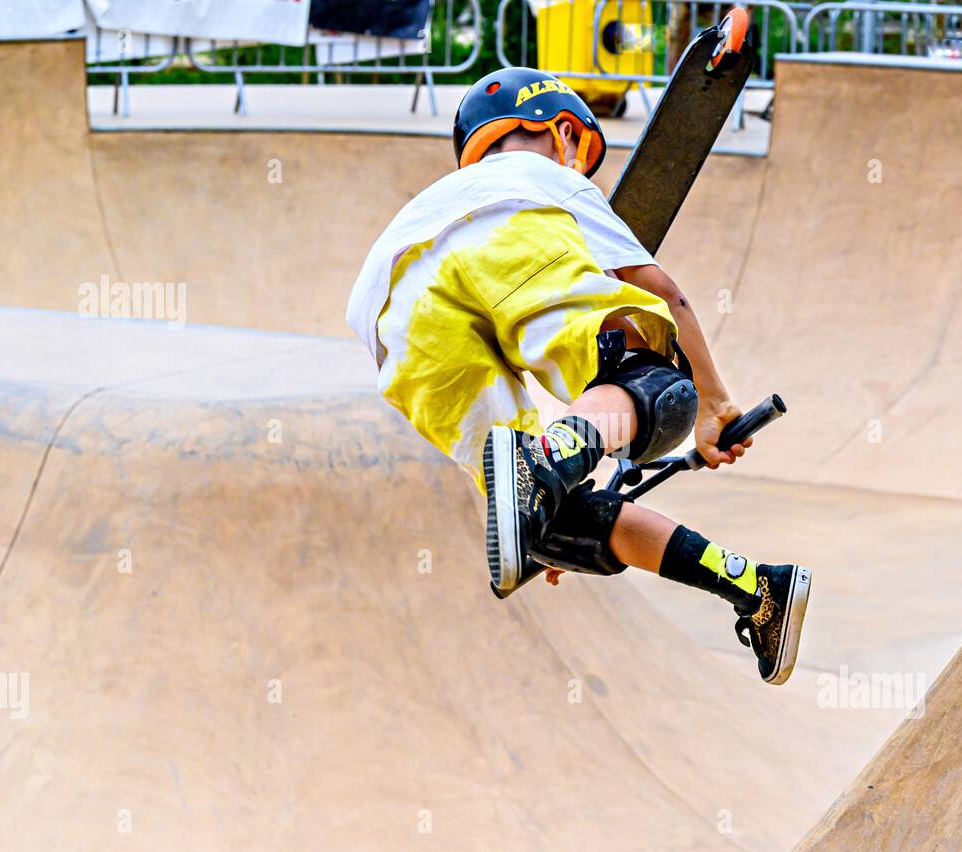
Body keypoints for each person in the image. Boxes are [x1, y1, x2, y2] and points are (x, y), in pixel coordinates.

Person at [346, 67, 810, 684]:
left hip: (388, 315)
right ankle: (544, 473)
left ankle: (757, 590)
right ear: (563, 131)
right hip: (506, 231)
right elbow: (663, 293)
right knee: (656, 381)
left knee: (556, 520)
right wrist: (712, 405)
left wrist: (537, 520)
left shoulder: (447, 196)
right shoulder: (544, 178)